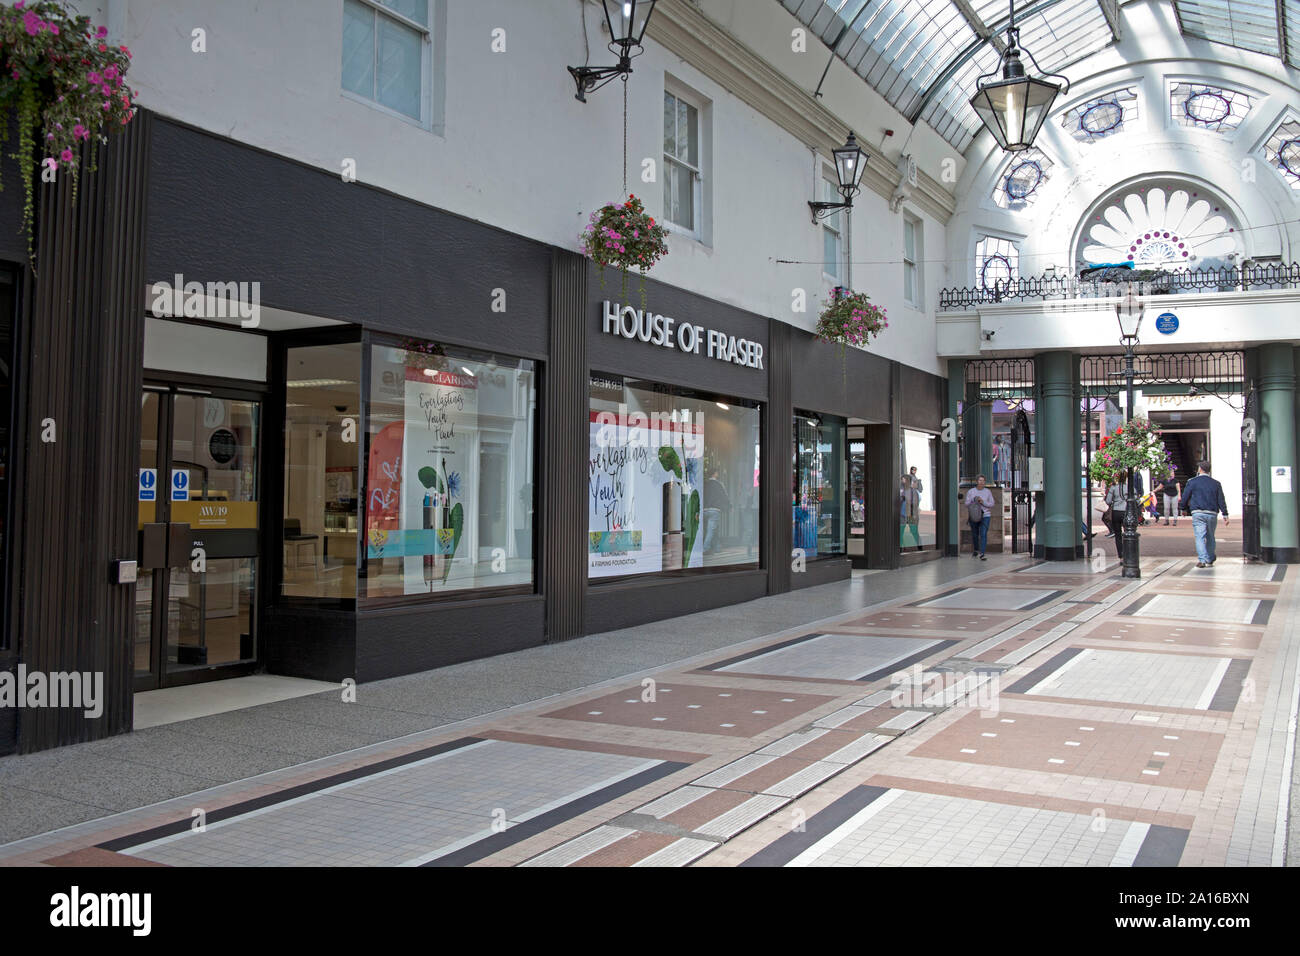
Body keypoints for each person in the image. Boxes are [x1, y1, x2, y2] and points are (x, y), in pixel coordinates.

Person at [1180, 460, 1229, 568]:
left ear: (1200, 469)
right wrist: (1225, 514)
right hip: (1211, 513)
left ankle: (1202, 559)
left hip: (1197, 512)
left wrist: (1183, 508)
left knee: (1200, 537)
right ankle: (1210, 558)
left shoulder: (1192, 482)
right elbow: (1221, 499)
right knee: (1211, 536)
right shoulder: (1216, 483)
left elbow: (1185, 496)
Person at [964, 474, 994, 560]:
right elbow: (966, 503)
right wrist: (974, 500)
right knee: (974, 534)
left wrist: (983, 502)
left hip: (985, 515)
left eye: (983, 481)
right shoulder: (971, 491)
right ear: (977, 481)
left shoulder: (988, 492)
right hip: (974, 515)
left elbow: (992, 504)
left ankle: (982, 552)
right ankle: (976, 549)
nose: (981, 482)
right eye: (980, 480)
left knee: (983, 534)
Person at [702, 468, 731, 554]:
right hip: (715, 510)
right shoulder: (719, 484)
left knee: (712, 529)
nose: (718, 474)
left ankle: (717, 547)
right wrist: (729, 505)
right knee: (711, 530)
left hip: (704, 509)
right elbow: (724, 496)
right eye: (717, 472)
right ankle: (705, 548)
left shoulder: (705, 484)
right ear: (714, 474)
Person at [899, 475, 921, 551]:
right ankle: (901, 548)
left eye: (904, 480)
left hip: (911, 515)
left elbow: (916, 504)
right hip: (902, 514)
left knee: (914, 532)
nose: (902, 482)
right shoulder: (901, 490)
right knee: (900, 532)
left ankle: (920, 547)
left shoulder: (913, 492)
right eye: (902, 480)